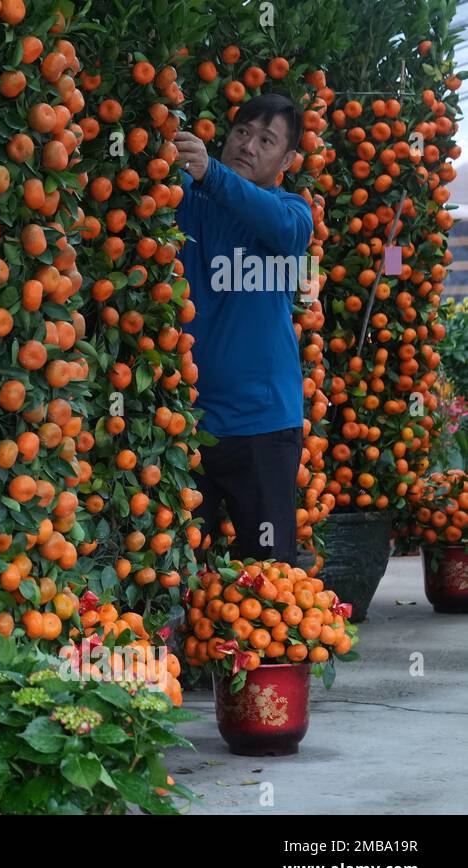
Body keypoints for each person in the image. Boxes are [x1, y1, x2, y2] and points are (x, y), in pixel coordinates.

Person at [173, 93, 314, 565]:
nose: (249, 146)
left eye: (267, 140)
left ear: (287, 160)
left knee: (269, 575)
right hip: (188, 426)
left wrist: (211, 173)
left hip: (264, 427)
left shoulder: (291, 214)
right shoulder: (188, 200)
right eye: (242, 132)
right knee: (178, 572)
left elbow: (281, 227)